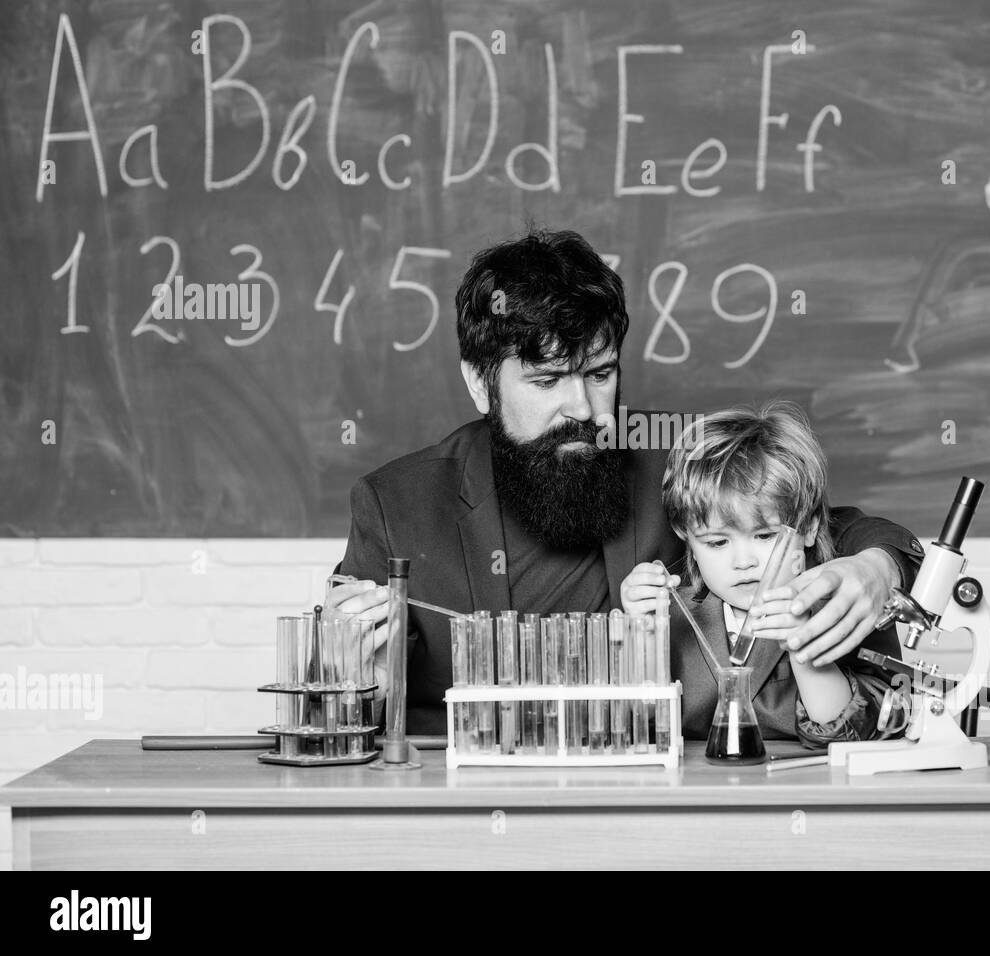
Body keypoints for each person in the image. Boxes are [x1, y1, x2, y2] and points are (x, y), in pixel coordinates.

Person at [328, 227, 924, 735]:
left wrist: (878, 568)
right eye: (546, 382)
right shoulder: (395, 506)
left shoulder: (671, 462)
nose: (584, 409)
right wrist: (351, 669)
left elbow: (824, 523)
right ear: (480, 384)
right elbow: (344, 706)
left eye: (600, 373)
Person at [621, 402, 911, 745]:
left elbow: (857, 730)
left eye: (765, 536)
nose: (743, 561)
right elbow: (643, 728)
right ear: (687, 538)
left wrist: (805, 649)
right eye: (716, 543)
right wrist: (641, 636)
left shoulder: (846, 608)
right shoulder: (675, 616)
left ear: (808, 527)